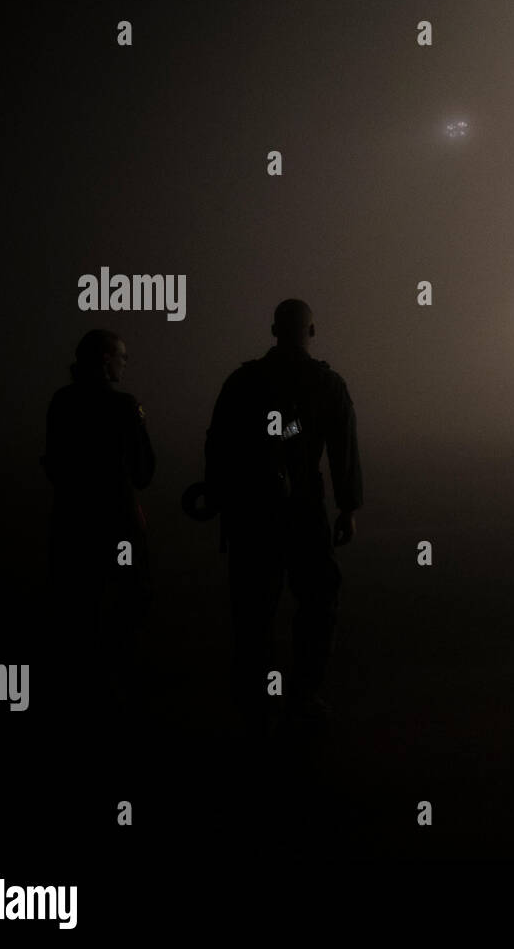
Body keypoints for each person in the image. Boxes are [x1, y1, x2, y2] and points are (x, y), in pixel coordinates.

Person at [204, 299, 362, 738]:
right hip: (303, 509)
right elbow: (342, 449)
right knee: (317, 600)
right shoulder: (326, 384)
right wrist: (348, 507)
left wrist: (216, 494)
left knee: (253, 606)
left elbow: (217, 441)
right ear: (312, 331)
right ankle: (302, 696)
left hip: (250, 510)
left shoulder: (244, 380)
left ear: (273, 329)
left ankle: (253, 699)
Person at [43, 329, 155, 718]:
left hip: (73, 521)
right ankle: (115, 690)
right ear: (106, 359)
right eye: (121, 356)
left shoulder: (61, 402)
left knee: (78, 604)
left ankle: (79, 689)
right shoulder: (124, 407)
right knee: (126, 602)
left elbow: (54, 465)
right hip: (117, 524)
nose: (125, 362)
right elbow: (144, 473)